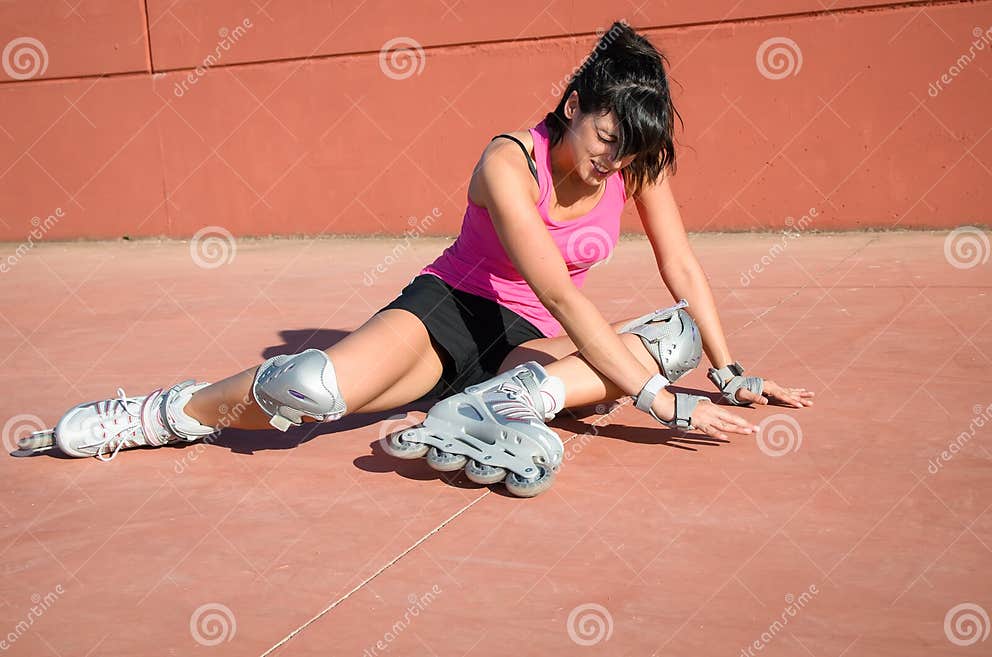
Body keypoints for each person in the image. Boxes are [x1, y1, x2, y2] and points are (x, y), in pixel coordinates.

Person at [21, 21, 813, 495]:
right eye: (608, 139)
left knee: (673, 337)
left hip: (532, 345)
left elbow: (682, 268)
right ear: (574, 105)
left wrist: (730, 369)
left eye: (630, 150)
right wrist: (663, 402)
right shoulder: (509, 163)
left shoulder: (638, 163)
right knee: (312, 385)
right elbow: (566, 296)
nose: (615, 163)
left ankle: (491, 407)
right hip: (452, 312)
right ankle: (164, 413)